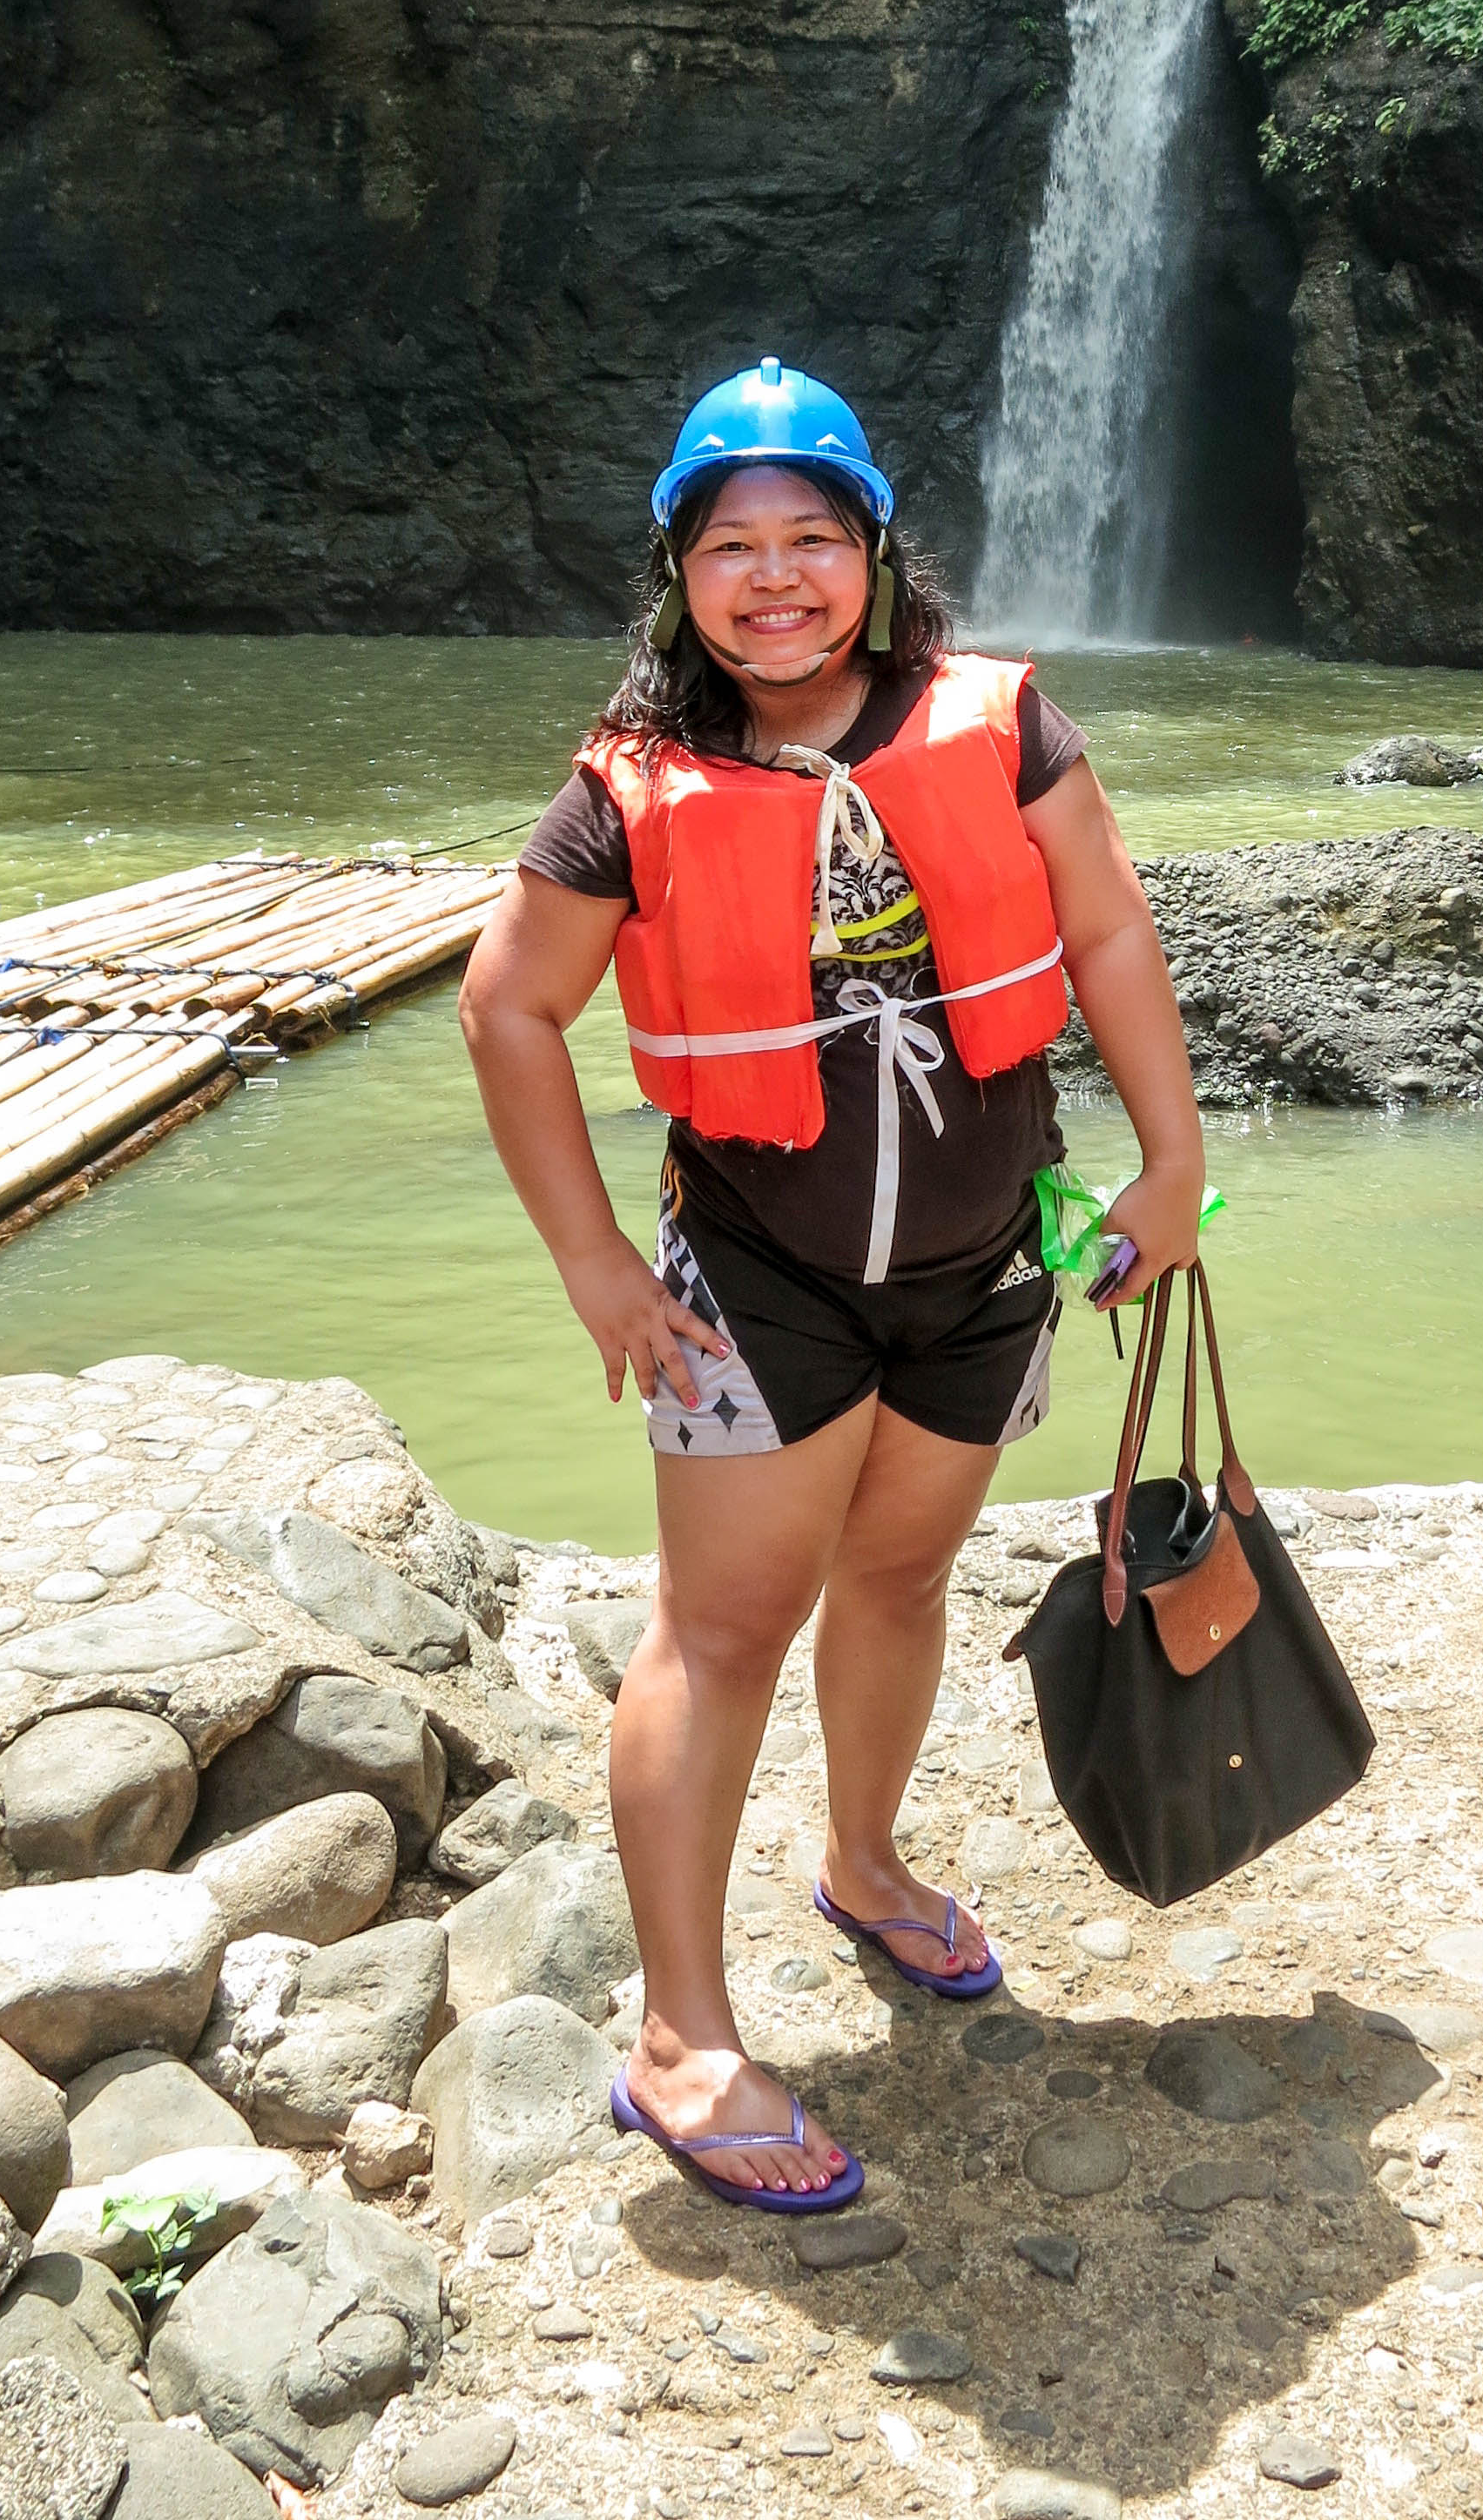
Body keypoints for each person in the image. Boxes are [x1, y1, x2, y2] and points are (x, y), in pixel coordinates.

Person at [458, 357, 1206, 2210]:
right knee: (720, 1633)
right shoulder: (626, 790)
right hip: (760, 1278)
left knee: (897, 1570)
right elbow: (509, 1004)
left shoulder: (1001, 725)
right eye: (733, 545)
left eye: (813, 536)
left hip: (980, 1267)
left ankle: (862, 1861)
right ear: (678, 574)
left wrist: (1175, 1161)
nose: (774, 575)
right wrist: (595, 1265)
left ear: (875, 551)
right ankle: (679, 2037)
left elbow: (1105, 922)